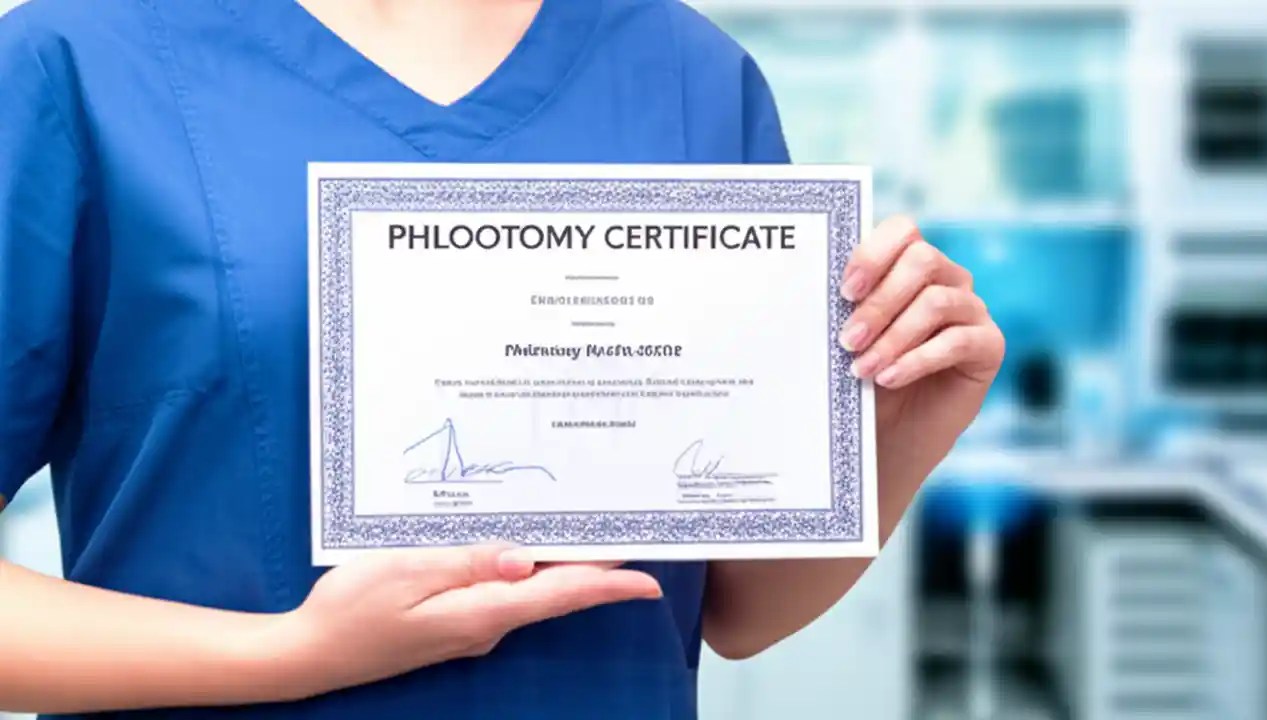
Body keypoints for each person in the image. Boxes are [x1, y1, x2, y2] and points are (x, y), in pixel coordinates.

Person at [0, 0, 1005, 717]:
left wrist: (911, 419)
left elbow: (734, 610)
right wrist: (293, 654)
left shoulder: (690, 71)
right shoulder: (78, 60)